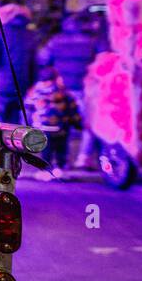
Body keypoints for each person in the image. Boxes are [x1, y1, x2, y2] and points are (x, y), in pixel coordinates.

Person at [38, 11, 104, 167]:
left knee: (62, 124)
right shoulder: (94, 41)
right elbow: (103, 61)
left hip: (62, 89)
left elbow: (42, 59)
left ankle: (61, 160)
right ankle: (84, 157)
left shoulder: (56, 40)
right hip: (86, 88)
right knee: (89, 124)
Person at [24, 64, 81, 176]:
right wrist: (77, 122)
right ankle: (60, 169)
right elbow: (72, 108)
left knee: (46, 151)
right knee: (61, 149)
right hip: (61, 128)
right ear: (55, 78)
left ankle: (46, 171)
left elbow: (28, 105)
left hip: (43, 128)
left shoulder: (35, 91)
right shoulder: (63, 92)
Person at [0, 2, 36, 125]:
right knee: (15, 122)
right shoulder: (29, 34)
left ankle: (0, 143)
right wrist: (31, 83)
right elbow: (34, 63)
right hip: (22, 84)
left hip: (0, 84)